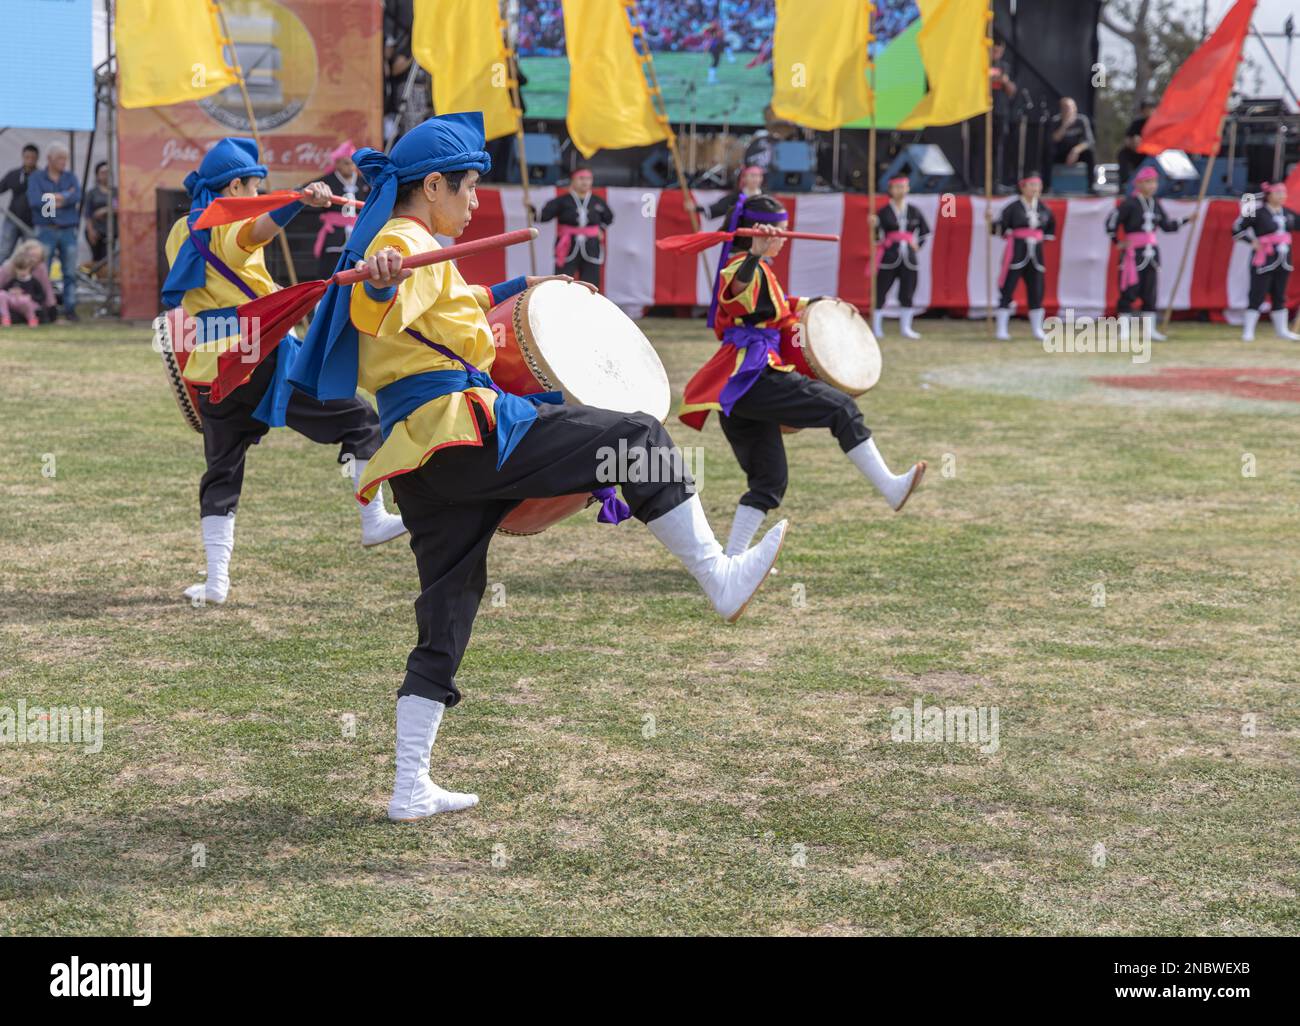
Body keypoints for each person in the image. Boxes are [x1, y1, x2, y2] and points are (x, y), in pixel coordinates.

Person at [289, 113, 789, 821]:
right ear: (432, 186)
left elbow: (445, 310)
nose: (473, 204)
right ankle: (718, 576)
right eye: (466, 190)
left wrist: (525, 282)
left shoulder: (414, 245)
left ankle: (410, 787)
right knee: (639, 438)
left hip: (419, 461)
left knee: (448, 611)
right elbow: (384, 310)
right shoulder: (403, 243)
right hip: (462, 433)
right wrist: (376, 283)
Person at [161, 137, 406, 606]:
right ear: (235, 186)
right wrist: (296, 203)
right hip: (258, 357)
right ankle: (373, 519)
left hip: (211, 369)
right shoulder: (229, 221)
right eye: (255, 186)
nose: (258, 194)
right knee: (359, 420)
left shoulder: (180, 229)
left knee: (223, 468)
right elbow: (254, 233)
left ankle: (215, 583)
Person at [678, 193, 925, 558]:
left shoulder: (762, 270)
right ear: (755, 233)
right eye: (779, 231)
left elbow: (780, 305)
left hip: (740, 393)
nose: (784, 236)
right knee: (840, 408)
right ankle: (889, 486)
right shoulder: (739, 267)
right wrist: (755, 255)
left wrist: (819, 301)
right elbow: (736, 291)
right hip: (752, 375)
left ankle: (731, 561)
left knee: (769, 482)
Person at [1105, 165, 1193, 342]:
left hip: (1152, 253)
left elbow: (1167, 226)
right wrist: (1118, 242)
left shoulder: (1156, 204)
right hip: (1133, 253)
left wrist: (1186, 220)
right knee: (1129, 290)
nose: (1151, 186)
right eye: (1147, 182)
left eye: (1154, 182)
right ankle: (1124, 330)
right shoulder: (1129, 203)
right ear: (1138, 184)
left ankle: (1149, 331)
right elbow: (1111, 223)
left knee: (1150, 292)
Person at [991, 173, 1055, 341]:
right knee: (1008, 288)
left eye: (1038, 186)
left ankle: (1037, 329)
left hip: (1036, 254)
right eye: (1032, 186)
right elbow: (999, 229)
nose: (1035, 189)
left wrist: (1037, 237)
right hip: (1016, 252)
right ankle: (1002, 329)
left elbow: (1049, 229)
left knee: (1037, 290)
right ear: (1023, 187)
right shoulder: (1012, 207)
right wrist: (991, 222)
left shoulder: (1044, 208)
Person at [1233, 181, 1299, 341]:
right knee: (1257, 293)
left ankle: (1281, 330)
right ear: (1268, 195)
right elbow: (1237, 230)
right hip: (1264, 259)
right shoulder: (1257, 212)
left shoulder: (1288, 213)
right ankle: (1248, 331)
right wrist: (1252, 242)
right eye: (1278, 192)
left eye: (1283, 192)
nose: (1282, 196)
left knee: (1279, 294)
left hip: (1283, 259)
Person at [26, 143, 81, 322]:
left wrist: (51, 197)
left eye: (65, 159)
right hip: (46, 229)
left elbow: (77, 196)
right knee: (43, 270)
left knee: (70, 271)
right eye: (60, 159)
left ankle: (70, 308)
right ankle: (43, 308)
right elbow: (35, 201)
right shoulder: (36, 177)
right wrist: (64, 196)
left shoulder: (70, 177)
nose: (64, 162)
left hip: (67, 229)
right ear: (49, 159)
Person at [871, 175, 930, 340]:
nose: (901, 190)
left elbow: (925, 232)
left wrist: (918, 244)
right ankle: (877, 328)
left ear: (908, 188)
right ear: (890, 190)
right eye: (897, 187)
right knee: (880, 291)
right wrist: (874, 226)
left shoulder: (914, 211)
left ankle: (906, 328)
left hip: (909, 258)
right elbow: (877, 238)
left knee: (908, 291)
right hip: (889, 256)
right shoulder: (883, 212)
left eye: (904, 186)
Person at [537, 165, 614, 286]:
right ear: (573, 180)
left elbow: (609, 217)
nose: (585, 182)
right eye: (581, 178)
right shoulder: (562, 201)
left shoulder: (597, 201)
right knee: (562, 282)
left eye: (588, 179)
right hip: (567, 246)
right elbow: (543, 217)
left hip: (591, 246)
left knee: (591, 282)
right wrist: (531, 210)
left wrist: (600, 229)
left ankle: (588, 304)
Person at [310, 140, 371, 278]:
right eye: (346, 163)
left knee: (357, 270)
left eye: (353, 163)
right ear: (337, 163)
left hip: (358, 234)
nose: (351, 167)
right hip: (334, 234)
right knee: (330, 272)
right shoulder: (325, 183)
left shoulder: (365, 183)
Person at [1046, 97, 1096, 193]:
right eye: (1065, 108)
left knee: (1090, 153)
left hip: (1076, 152)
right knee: (1048, 153)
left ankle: (1091, 186)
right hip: (1061, 152)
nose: (1068, 111)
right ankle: (1047, 185)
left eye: (1070, 108)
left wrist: (1076, 150)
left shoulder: (1082, 120)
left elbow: (1089, 141)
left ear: (1075, 108)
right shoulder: (1055, 121)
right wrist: (1064, 126)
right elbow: (1053, 139)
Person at [0, 238, 52, 327]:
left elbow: (45, 290)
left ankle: (32, 319)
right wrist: (11, 291)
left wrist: (51, 307)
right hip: (12, 304)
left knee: (28, 303)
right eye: (33, 256)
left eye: (38, 257)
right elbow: (4, 288)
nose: (35, 259)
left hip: (29, 304)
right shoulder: (8, 270)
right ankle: (5, 318)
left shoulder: (37, 274)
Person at [0, 143, 38, 263]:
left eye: (33, 158)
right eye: (27, 157)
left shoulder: (42, 177)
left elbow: (49, 198)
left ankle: (29, 280)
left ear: (37, 159)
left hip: (32, 222)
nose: (30, 161)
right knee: (5, 250)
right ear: (22, 157)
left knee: (31, 255)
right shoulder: (14, 174)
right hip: (12, 219)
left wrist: (48, 220)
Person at [688, 165, 764, 220]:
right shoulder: (737, 197)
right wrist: (696, 208)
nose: (756, 179)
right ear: (744, 178)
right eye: (753, 176)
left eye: (759, 176)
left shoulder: (765, 197)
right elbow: (719, 207)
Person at [1117, 100, 1157, 187]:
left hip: (1152, 153)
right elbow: (1127, 139)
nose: (1149, 111)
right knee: (1122, 154)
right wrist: (1134, 144)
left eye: (1151, 109)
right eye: (1147, 109)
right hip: (1136, 151)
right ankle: (1125, 183)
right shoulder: (1137, 123)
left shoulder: (1158, 124)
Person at [84, 161, 114, 270]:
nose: (105, 175)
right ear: (97, 175)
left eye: (107, 172)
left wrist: (105, 210)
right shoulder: (92, 193)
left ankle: (104, 280)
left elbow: (119, 207)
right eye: (102, 172)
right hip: (96, 230)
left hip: (111, 231)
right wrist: (91, 230)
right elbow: (87, 214)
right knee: (97, 259)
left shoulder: (114, 192)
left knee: (107, 259)